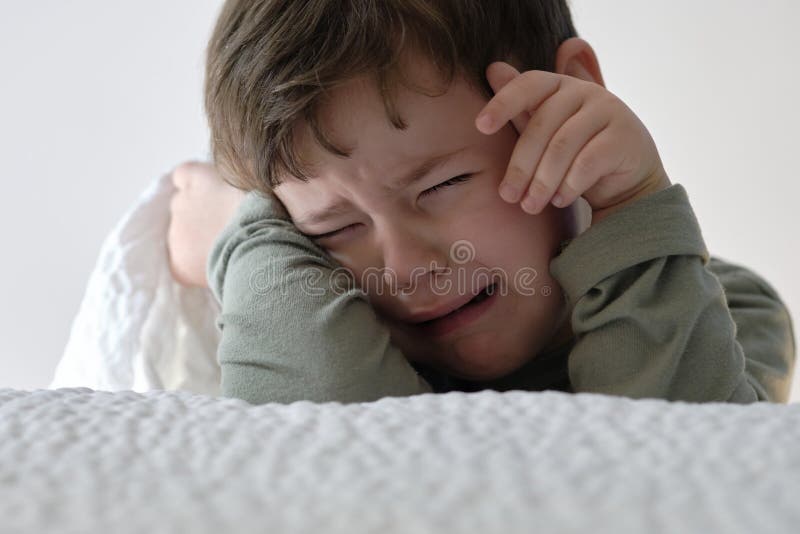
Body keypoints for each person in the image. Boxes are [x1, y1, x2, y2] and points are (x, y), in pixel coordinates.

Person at [167, 0, 795, 404]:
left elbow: (676, 473)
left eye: (440, 186)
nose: (405, 268)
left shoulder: (733, 316)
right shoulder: (323, 327)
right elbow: (309, 447)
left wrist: (631, 205)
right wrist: (247, 233)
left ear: (566, 95)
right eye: (330, 228)